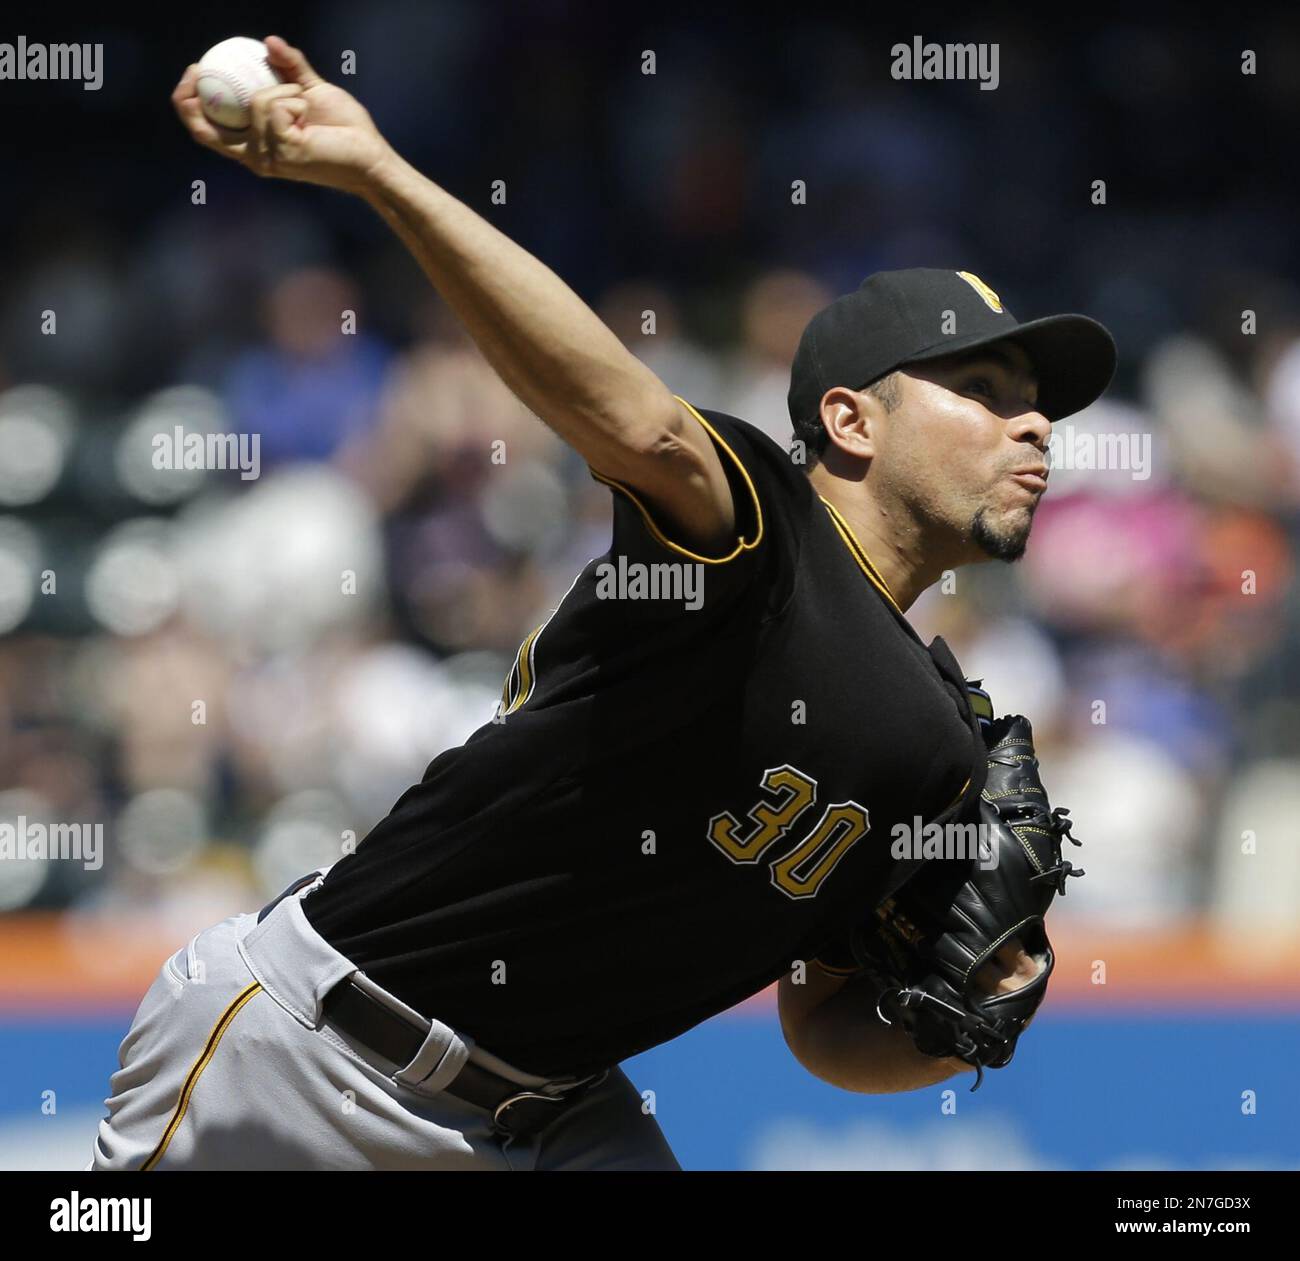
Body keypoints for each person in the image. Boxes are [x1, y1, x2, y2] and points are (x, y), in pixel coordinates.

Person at [91, 35, 1115, 1171]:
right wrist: (378, 171)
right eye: (982, 391)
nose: (1033, 427)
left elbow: (824, 1033)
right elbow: (643, 428)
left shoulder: (940, 739)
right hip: (321, 1054)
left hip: (558, 1116)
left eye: (1038, 408)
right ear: (850, 421)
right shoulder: (760, 537)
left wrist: (980, 1003)